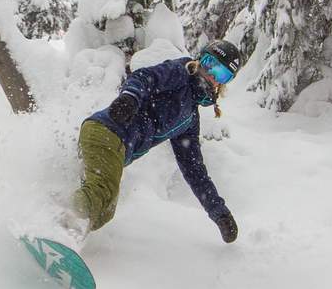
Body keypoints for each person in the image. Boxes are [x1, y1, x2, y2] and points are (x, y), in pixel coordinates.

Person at [69, 40, 244, 243]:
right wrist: (130, 97)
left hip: (108, 143)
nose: (212, 74)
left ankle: (55, 212)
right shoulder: (180, 73)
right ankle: (62, 227)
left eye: (222, 74)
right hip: (108, 134)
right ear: (200, 59)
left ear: (223, 83)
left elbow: (195, 171)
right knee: (102, 197)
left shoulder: (189, 119)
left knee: (100, 203)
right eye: (209, 63)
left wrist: (219, 212)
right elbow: (145, 77)